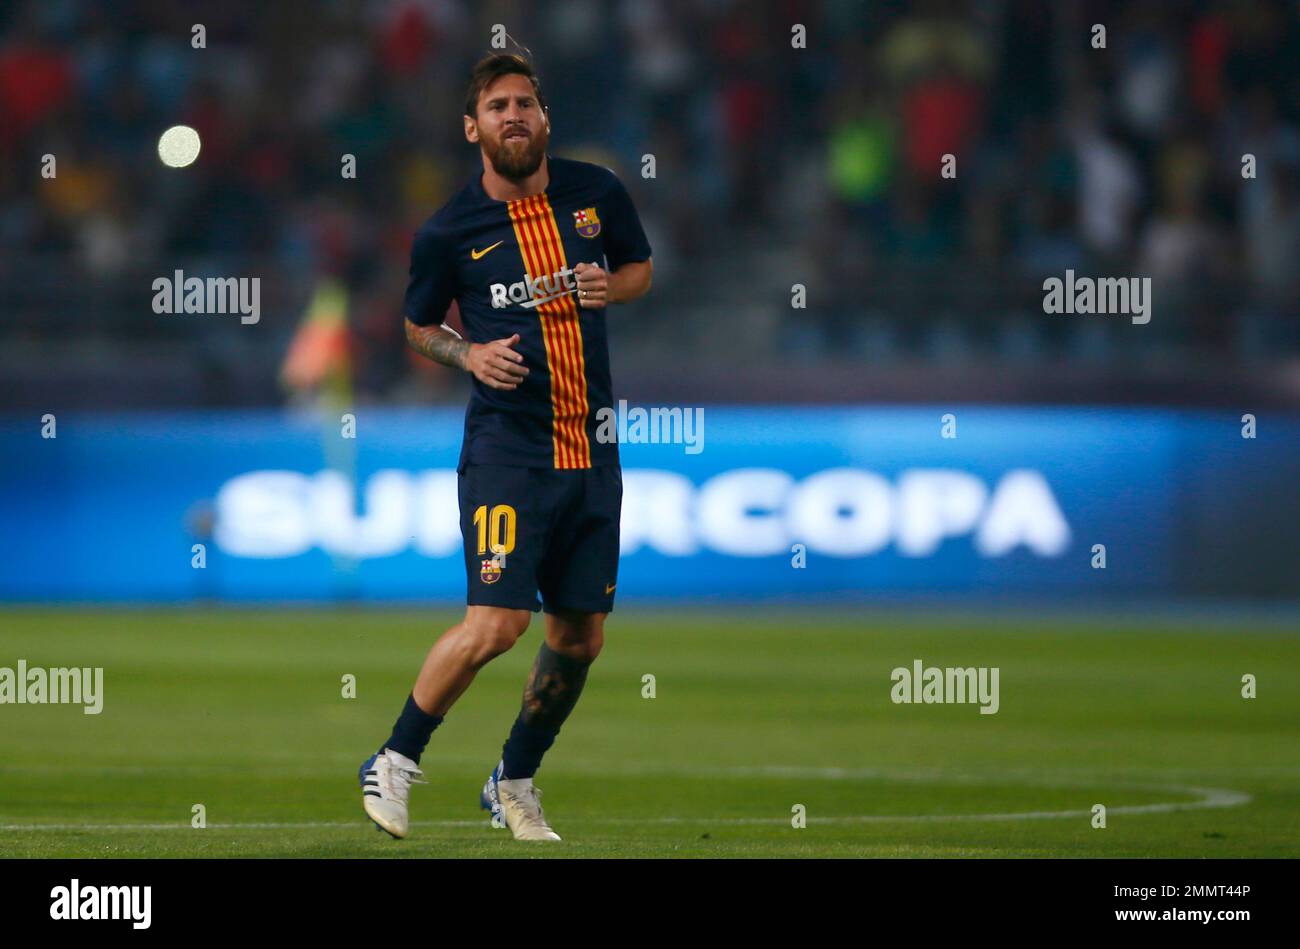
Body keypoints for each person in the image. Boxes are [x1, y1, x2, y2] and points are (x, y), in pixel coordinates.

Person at [359, 51, 653, 842]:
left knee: (579, 637)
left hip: (591, 447)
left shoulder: (597, 193)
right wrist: (469, 354)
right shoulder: (449, 230)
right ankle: (394, 756)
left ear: (545, 117)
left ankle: (513, 780)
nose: (513, 115)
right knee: (496, 623)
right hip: (507, 450)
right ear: (472, 127)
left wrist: (610, 286)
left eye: (525, 102)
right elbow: (419, 327)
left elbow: (639, 268)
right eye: (497, 106)